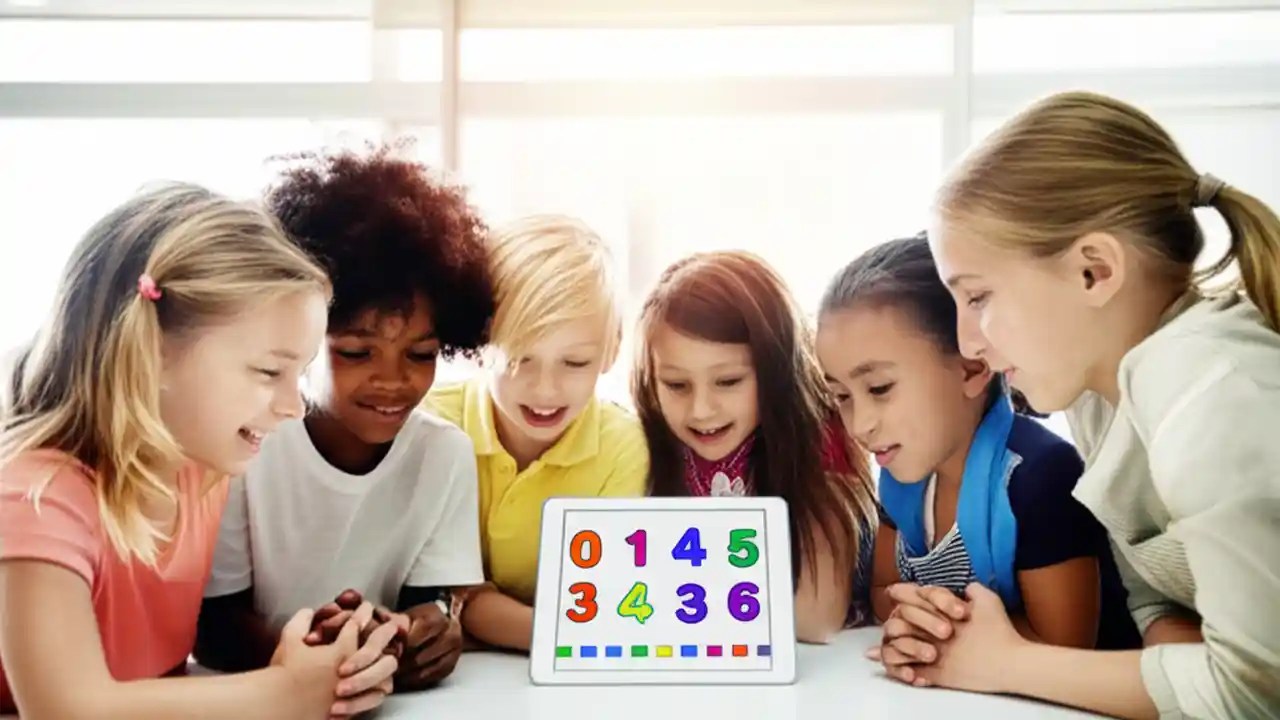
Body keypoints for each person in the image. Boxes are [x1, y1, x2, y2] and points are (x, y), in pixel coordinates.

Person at [905, 90, 1280, 719]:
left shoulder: (1215, 400)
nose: (969, 342)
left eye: (978, 297)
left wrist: (1006, 663)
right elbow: (1165, 606)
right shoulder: (1100, 395)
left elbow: (1255, 693)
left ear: (1094, 272)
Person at [0, 183, 395, 719]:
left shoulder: (199, 474)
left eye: (299, 375)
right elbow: (67, 709)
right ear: (153, 353)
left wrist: (320, 659)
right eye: (268, 372)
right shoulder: (37, 497)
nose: (293, 406)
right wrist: (286, 693)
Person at [194, 146, 495, 699]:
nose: (393, 381)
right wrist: (320, 658)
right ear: (302, 338)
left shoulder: (444, 454)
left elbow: (430, 602)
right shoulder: (245, 446)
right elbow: (213, 629)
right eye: (357, 353)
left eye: (421, 354)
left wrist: (429, 634)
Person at [815, 233, 1139, 676]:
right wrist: (922, 621)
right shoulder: (900, 475)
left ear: (971, 369)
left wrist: (936, 631)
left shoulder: (1039, 475)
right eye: (842, 397)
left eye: (879, 389)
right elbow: (882, 591)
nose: (859, 425)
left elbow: (1066, 641)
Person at [424, 214, 647, 652]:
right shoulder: (433, 425)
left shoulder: (626, 449)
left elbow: (604, 613)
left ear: (611, 351)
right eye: (519, 359)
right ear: (477, 345)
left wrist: (475, 610)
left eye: (575, 363)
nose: (545, 389)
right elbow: (440, 595)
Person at [631, 250, 880, 640]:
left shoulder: (819, 439)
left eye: (728, 381)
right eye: (676, 385)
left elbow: (814, 619)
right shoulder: (646, 443)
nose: (701, 410)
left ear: (776, 371)